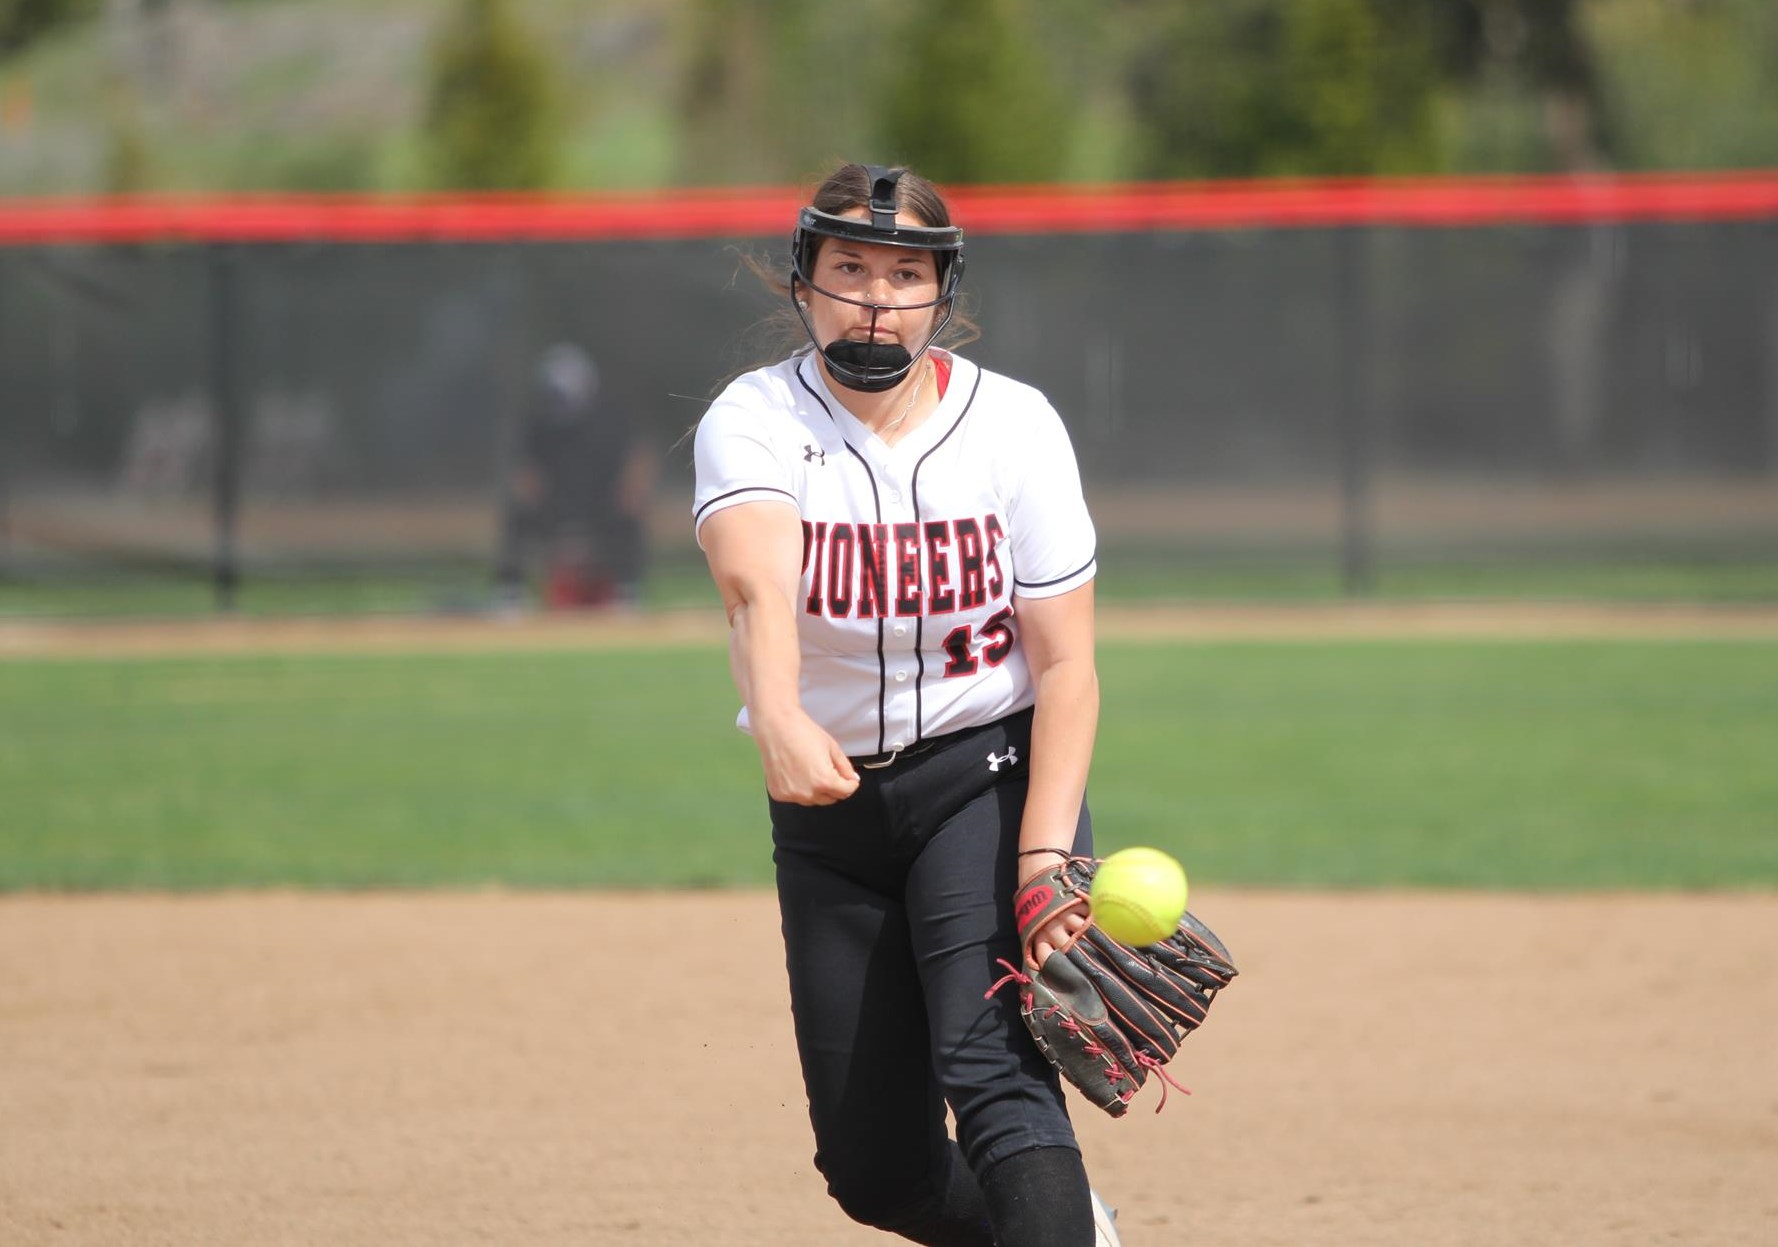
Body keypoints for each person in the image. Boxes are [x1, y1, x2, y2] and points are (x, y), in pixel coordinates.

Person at [692, 163, 1121, 1247]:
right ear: (803, 280)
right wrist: (779, 711)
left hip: (983, 773)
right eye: (849, 267)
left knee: (994, 1078)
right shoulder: (751, 419)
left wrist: (1044, 864)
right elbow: (754, 586)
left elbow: (1065, 664)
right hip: (828, 811)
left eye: (904, 271)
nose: (876, 296)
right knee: (872, 1169)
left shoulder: (1013, 428)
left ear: (942, 291)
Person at [506, 343, 655, 610]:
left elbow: (638, 460)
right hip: (556, 505)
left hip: (602, 504)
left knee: (629, 519)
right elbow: (526, 473)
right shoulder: (539, 424)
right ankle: (510, 593)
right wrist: (529, 495)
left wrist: (631, 490)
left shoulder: (611, 419)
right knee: (517, 517)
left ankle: (627, 592)